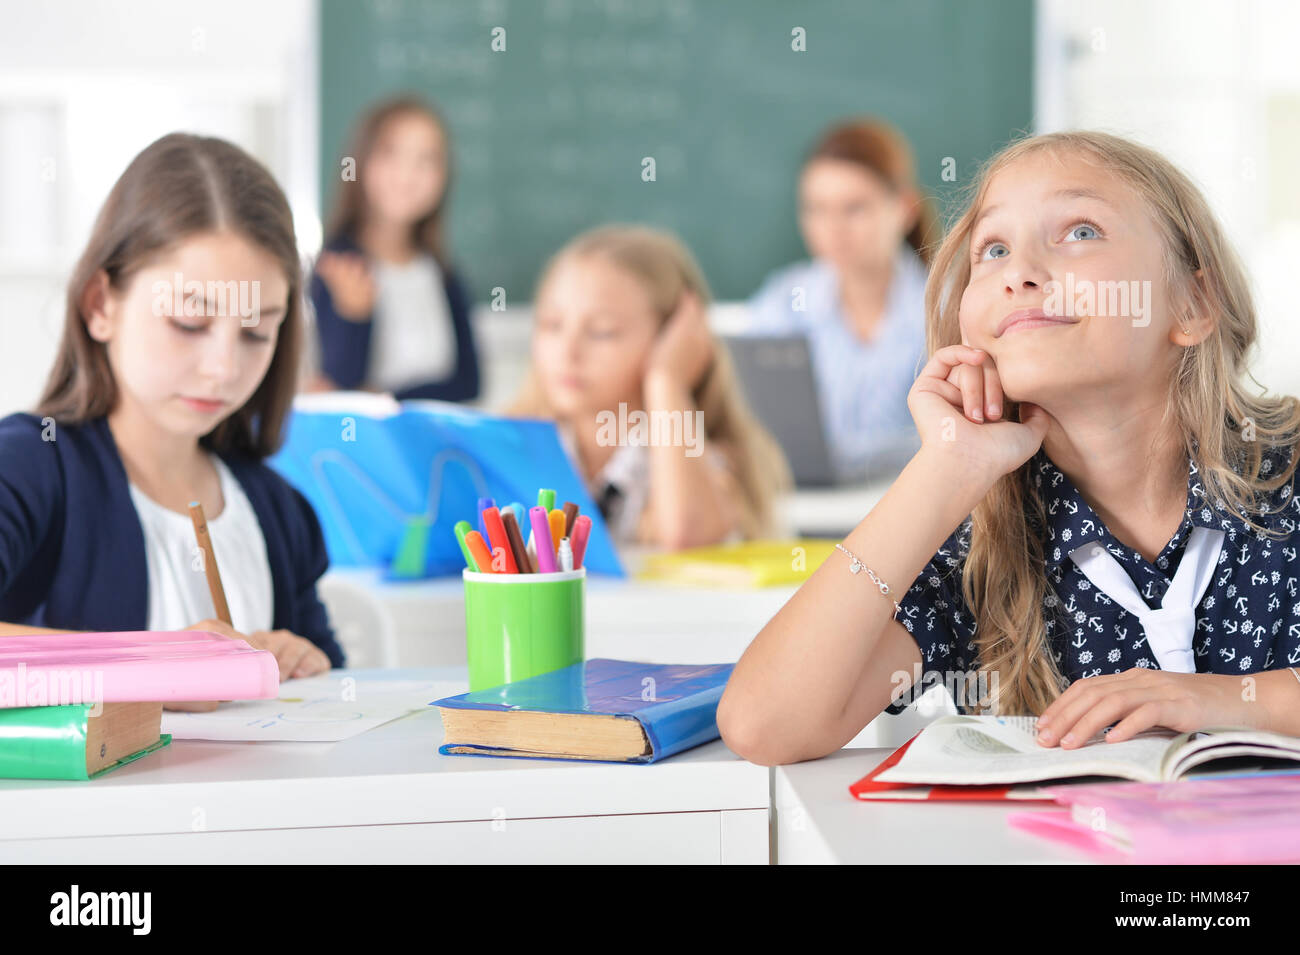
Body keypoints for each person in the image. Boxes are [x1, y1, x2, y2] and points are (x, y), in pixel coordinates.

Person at [720, 130, 1300, 765]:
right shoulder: (981, 546)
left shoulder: (1288, 468)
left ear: (1192, 303)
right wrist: (941, 471)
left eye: (1080, 232)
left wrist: (1236, 702)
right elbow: (765, 724)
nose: (1019, 272)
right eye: (992, 249)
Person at [0, 133, 345, 708]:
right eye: (189, 322)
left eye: (258, 331)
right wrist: (153, 668)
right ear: (100, 305)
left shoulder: (278, 509)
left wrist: (306, 663)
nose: (224, 367)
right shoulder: (28, 466)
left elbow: (338, 691)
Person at [506, 225, 791, 549]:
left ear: (671, 340)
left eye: (602, 331)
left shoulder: (702, 462)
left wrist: (666, 379)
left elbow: (687, 534)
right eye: (552, 325)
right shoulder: (507, 444)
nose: (567, 352)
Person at [748, 118, 938, 480]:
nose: (832, 229)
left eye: (854, 208)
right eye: (816, 209)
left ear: (904, 209)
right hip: (803, 510)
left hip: (921, 513)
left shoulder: (946, 307)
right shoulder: (783, 304)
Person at [309, 95, 480, 402]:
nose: (407, 174)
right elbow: (338, 389)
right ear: (361, 161)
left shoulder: (443, 274)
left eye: (427, 160)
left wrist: (388, 396)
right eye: (390, 154)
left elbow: (469, 383)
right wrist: (355, 317)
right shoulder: (339, 267)